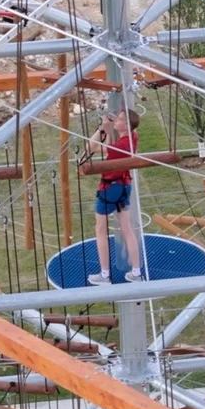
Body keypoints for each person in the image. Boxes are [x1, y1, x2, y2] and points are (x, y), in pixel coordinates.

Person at [86, 109, 145, 284]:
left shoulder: (119, 147)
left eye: (120, 120)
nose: (116, 121)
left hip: (110, 189)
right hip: (124, 186)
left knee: (100, 230)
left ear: (126, 125)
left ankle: (104, 275)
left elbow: (91, 147)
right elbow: (115, 143)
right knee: (126, 228)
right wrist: (113, 127)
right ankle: (136, 272)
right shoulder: (132, 138)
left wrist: (102, 129)